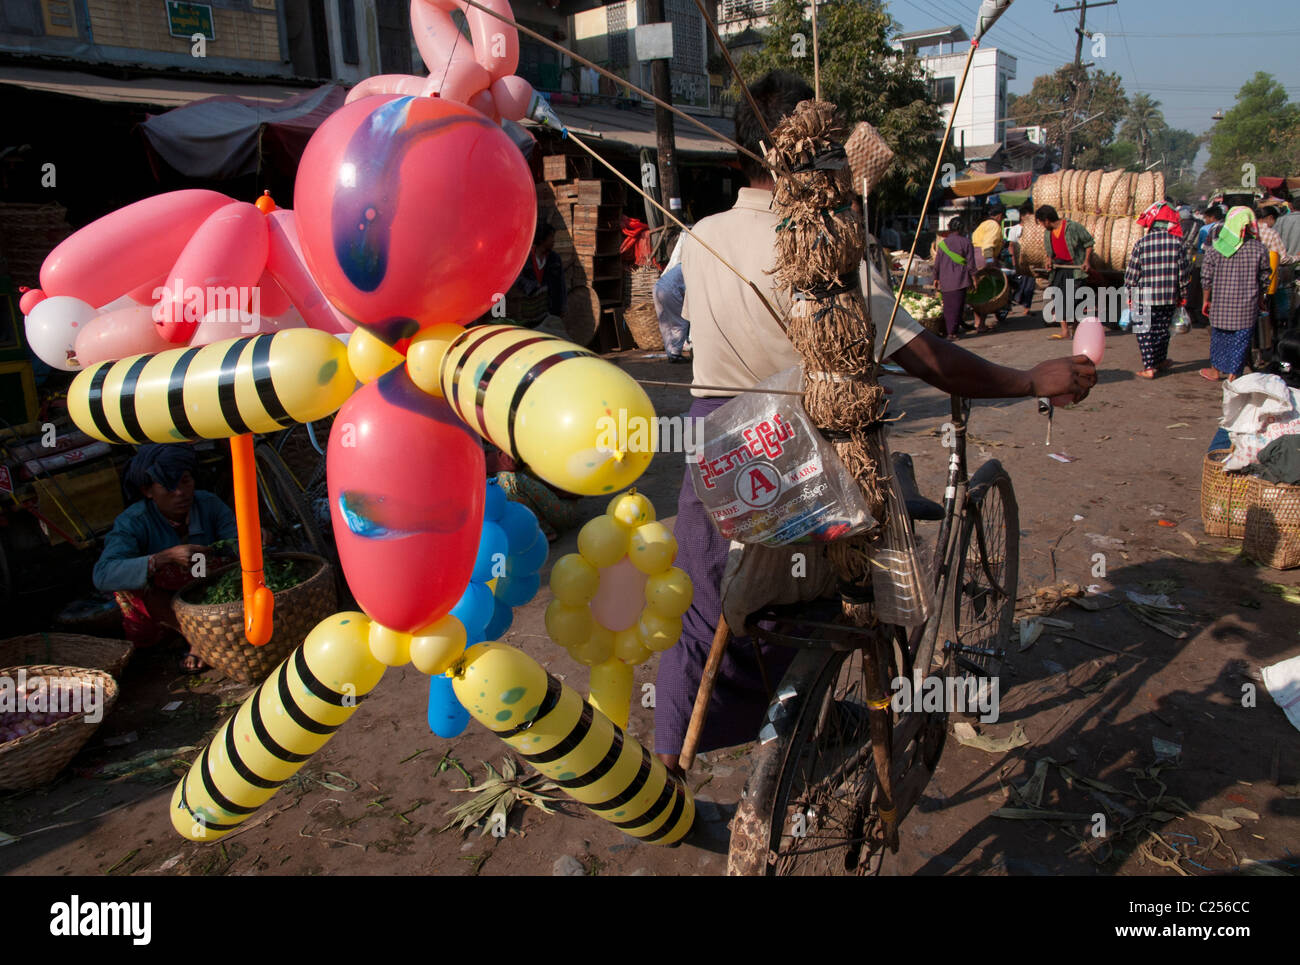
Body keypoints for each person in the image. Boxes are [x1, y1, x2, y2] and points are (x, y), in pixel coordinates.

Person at [654, 70, 1098, 775]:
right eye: (828, 145)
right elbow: (927, 358)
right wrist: (1028, 379)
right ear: (809, 149)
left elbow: (667, 311)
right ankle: (843, 730)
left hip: (718, 447)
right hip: (807, 451)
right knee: (869, 596)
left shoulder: (697, 236)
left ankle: (672, 766)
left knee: (710, 617)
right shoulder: (827, 245)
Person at [93, 444, 237, 672]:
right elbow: (103, 574)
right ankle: (197, 638)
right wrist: (163, 558)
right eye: (169, 486)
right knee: (133, 584)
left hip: (208, 595)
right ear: (147, 491)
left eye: (186, 481)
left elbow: (235, 540)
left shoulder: (208, 504)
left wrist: (250, 539)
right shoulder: (133, 521)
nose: (180, 493)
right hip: (161, 610)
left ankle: (207, 633)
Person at [1200, 206, 1271, 382]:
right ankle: (1235, 374)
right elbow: (1264, 279)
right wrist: (1261, 300)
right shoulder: (1259, 249)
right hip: (1247, 305)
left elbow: (1206, 278)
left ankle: (1215, 370)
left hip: (1220, 304)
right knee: (1241, 342)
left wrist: (1205, 300)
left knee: (1219, 338)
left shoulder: (1216, 248)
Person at [1124, 202, 1190, 379]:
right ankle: (1159, 360)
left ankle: (1149, 367)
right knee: (1162, 330)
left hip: (1143, 296)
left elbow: (1132, 274)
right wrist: (1183, 294)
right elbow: (1183, 273)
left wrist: (1129, 293)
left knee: (1144, 331)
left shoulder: (1141, 244)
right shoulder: (1178, 244)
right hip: (1168, 295)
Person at [1036, 204, 1095, 340]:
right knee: (1058, 299)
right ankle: (1064, 331)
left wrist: (1086, 261)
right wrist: (1048, 260)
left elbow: (1089, 242)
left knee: (1074, 299)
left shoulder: (1072, 227)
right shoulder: (1047, 233)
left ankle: (1074, 328)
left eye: (1040, 222)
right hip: (1059, 269)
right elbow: (1049, 252)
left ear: (1046, 220)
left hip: (1075, 269)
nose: (1041, 225)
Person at [513, 221, 566, 328]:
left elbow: (561, 285)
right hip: (529, 310)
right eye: (551, 237)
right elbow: (518, 278)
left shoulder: (555, 259)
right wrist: (532, 287)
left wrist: (562, 308)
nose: (553, 240)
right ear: (542, 239)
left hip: (550, 310)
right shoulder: (525, 258)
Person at [932, 216, 977, 337]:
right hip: (960, 279)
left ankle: (950, 330)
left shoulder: (942, 244)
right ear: (962, 228)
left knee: (948, 307)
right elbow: (971, 264)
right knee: (958, 306)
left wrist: (935, 278)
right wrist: (974, 278)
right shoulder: (966, 242)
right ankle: (952, 332)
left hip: (945, 280)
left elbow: (937, 264)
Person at [1006, 203, 1037, 317]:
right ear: (1022, 216)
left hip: (1031, 260)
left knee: (1030, 284)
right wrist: (1013, 259)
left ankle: (1026, 308)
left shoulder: (1034, 229)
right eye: (1028, 216)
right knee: (1017, 282)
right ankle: (1012, 302)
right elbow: (1011, 245)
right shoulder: (1014, 229)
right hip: (1018, 261)